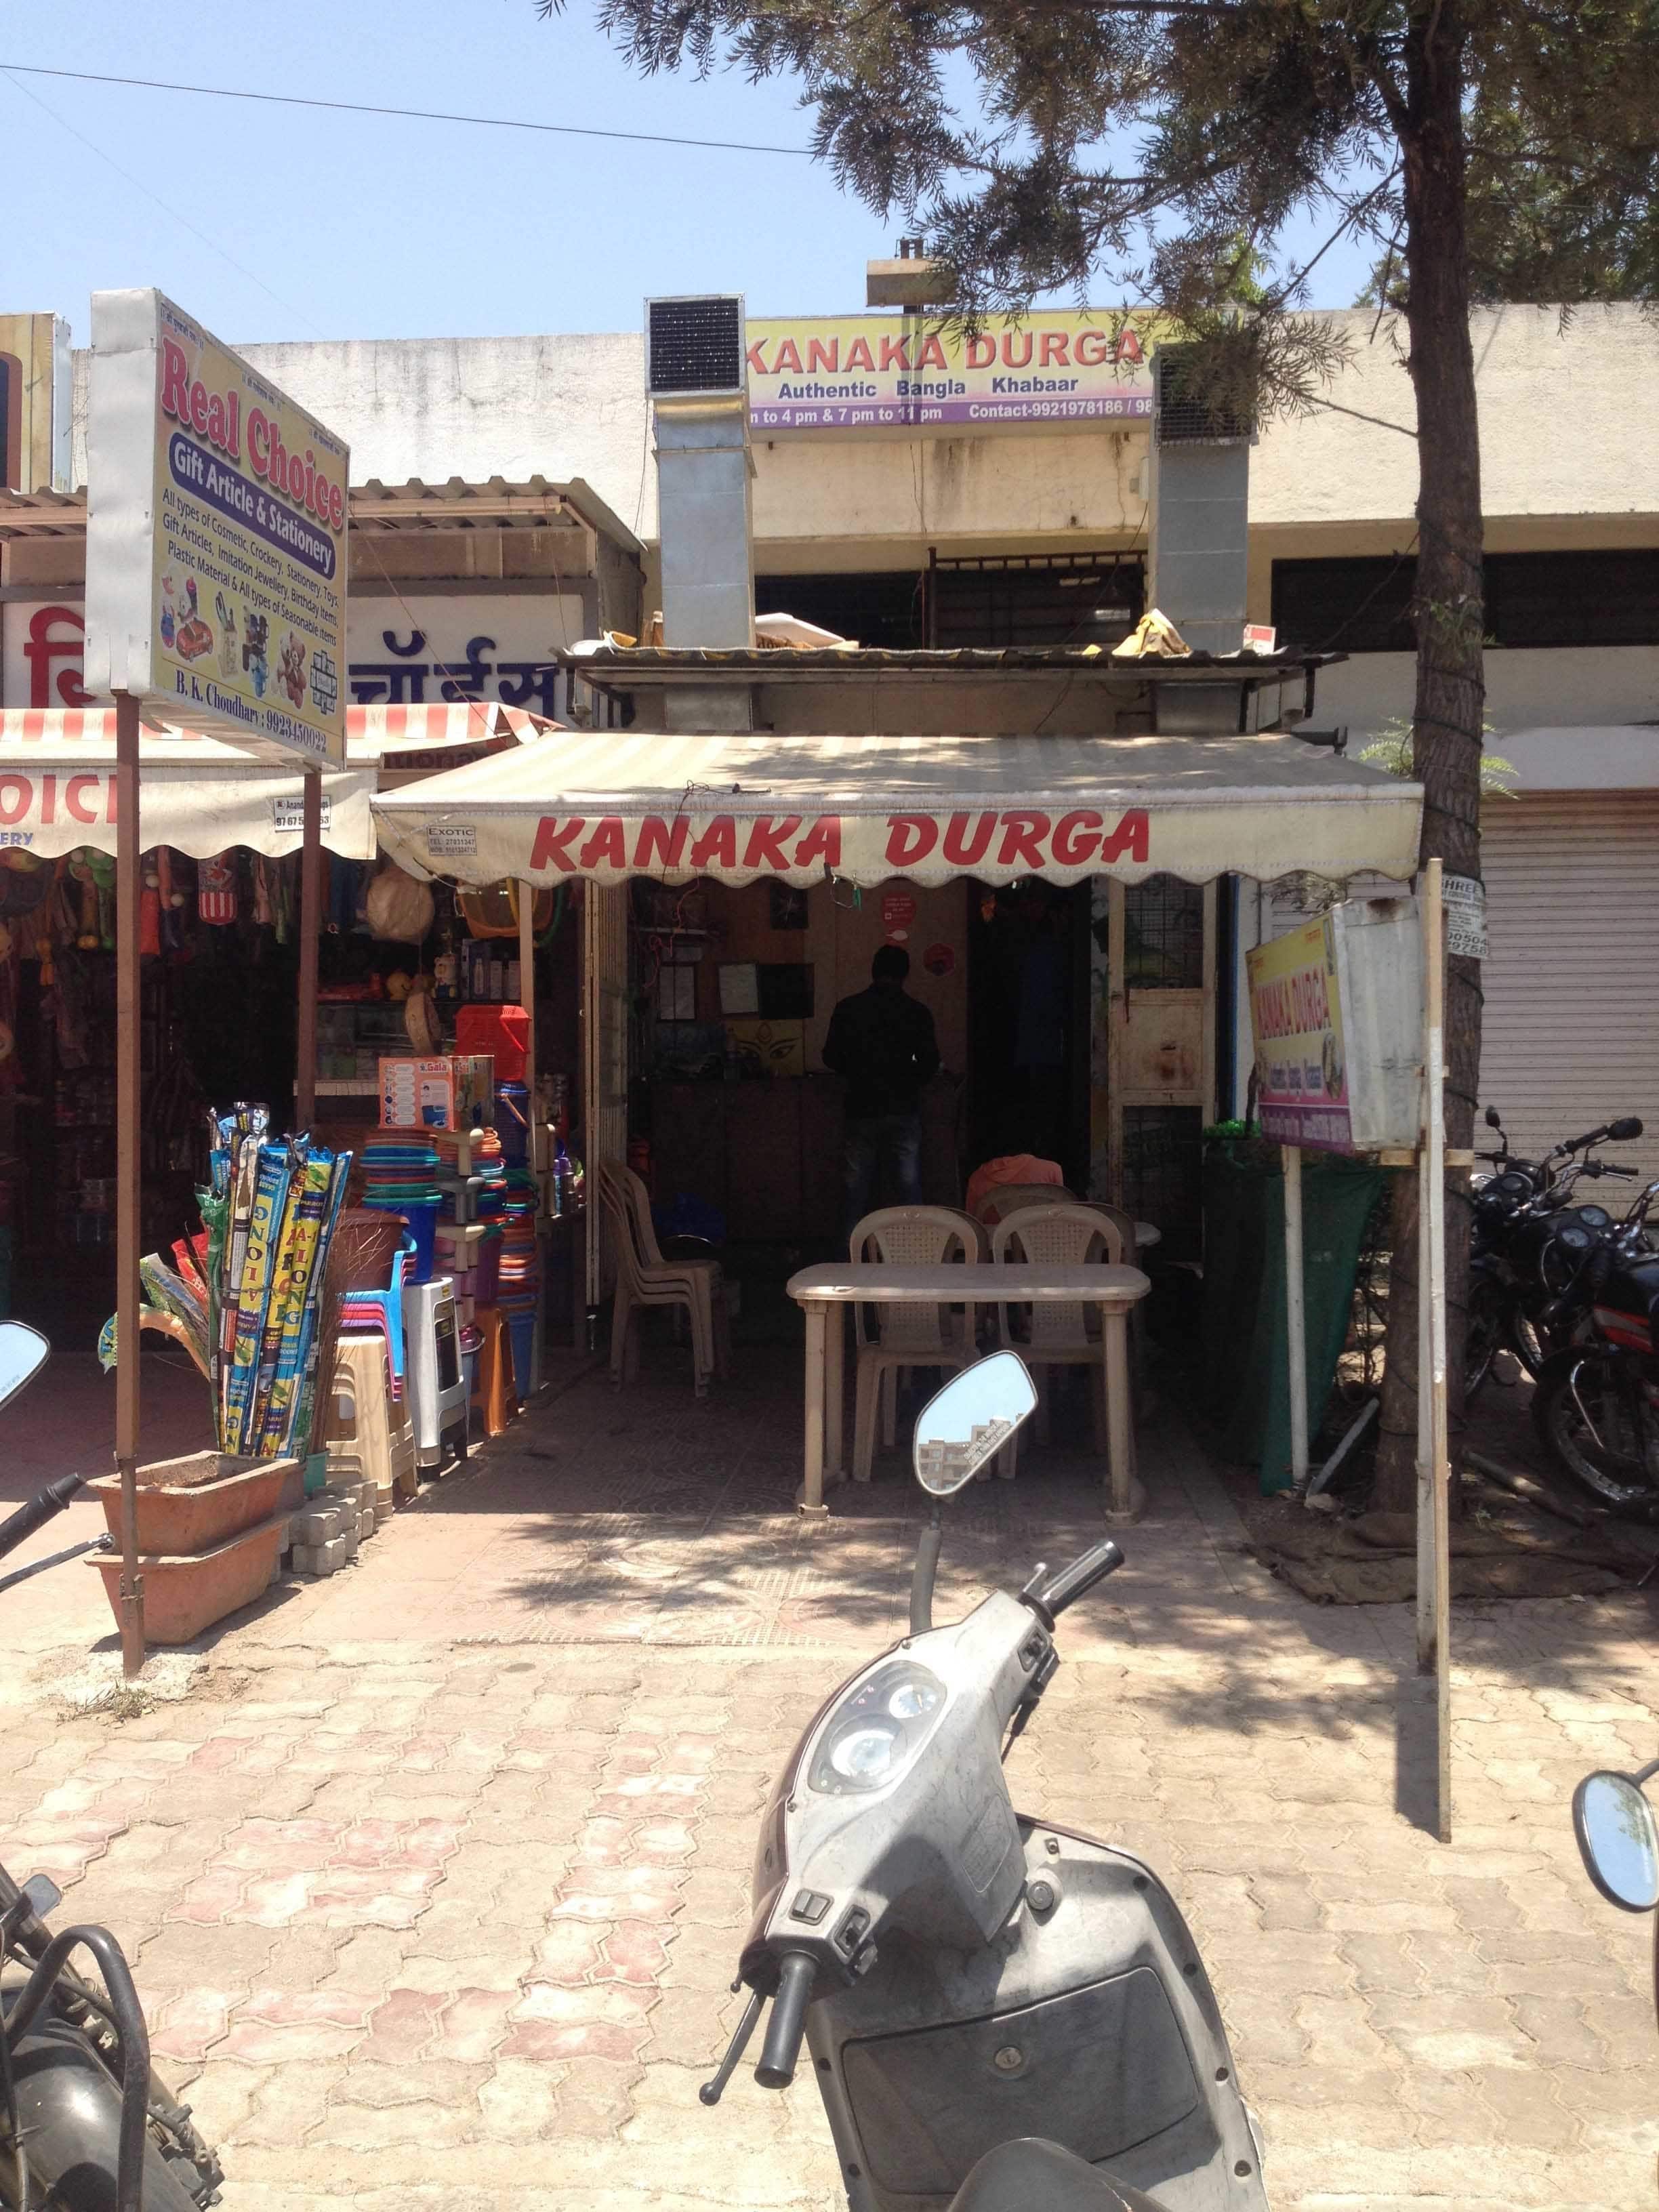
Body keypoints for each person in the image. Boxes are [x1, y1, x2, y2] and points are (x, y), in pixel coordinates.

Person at [823, 945, 940, 1238]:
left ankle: (849, 1254)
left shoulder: (849, 1009)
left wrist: (859, 1069)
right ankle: (916, 1250)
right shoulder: (916, 1012)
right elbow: (929, 1064)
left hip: (861, 1106)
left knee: (855, 1189)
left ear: (873, 970)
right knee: (908, 1187)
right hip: (903, 1107)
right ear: (905, 974)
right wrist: (907, 1077)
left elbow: (831, 1057)